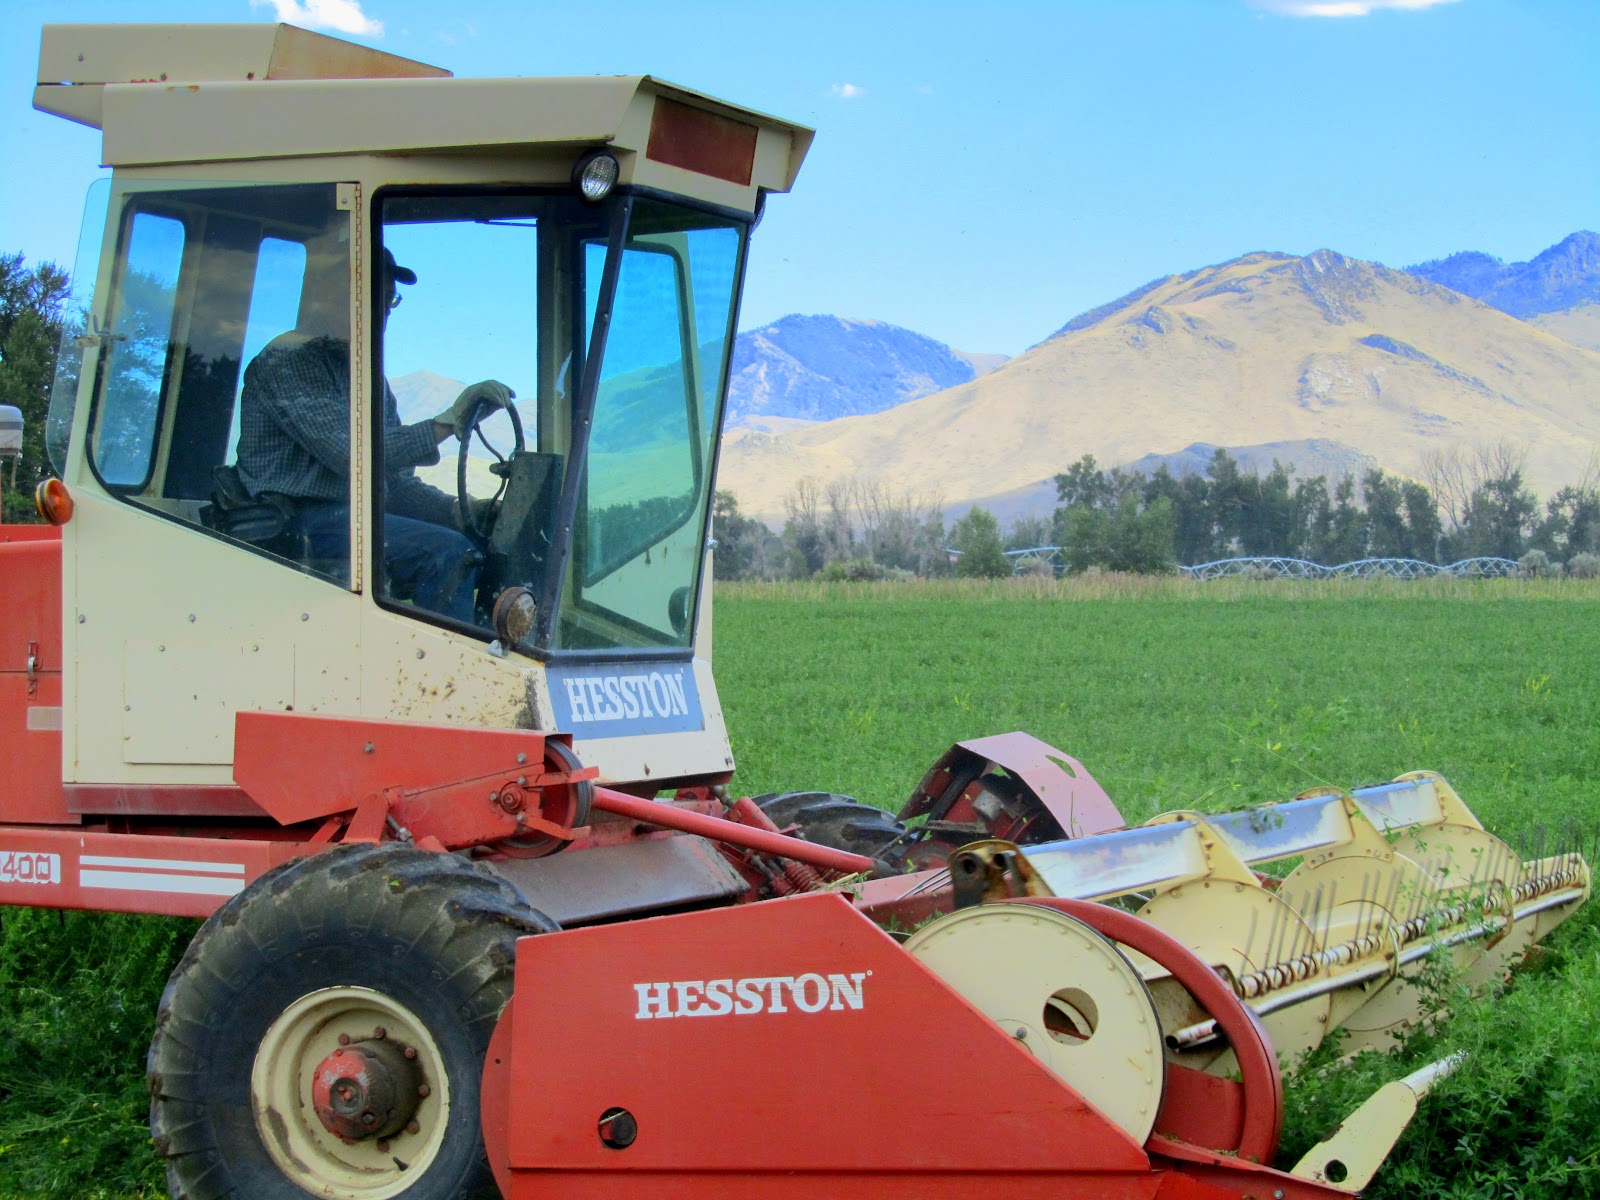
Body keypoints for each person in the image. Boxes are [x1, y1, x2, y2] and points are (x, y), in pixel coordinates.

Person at [235, 246, 512, 624]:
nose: (382, 313)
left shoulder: (367, 377)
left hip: (347, 518)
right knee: (446, 554)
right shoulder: (288, 360)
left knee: (489, 546)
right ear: (331, 295)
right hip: (295, 521)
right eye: (372, 298)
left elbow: (393, 484)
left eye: (389, 300)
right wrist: (448, 423)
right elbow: (349, 453)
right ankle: (443, 676)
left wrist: (458, 512)